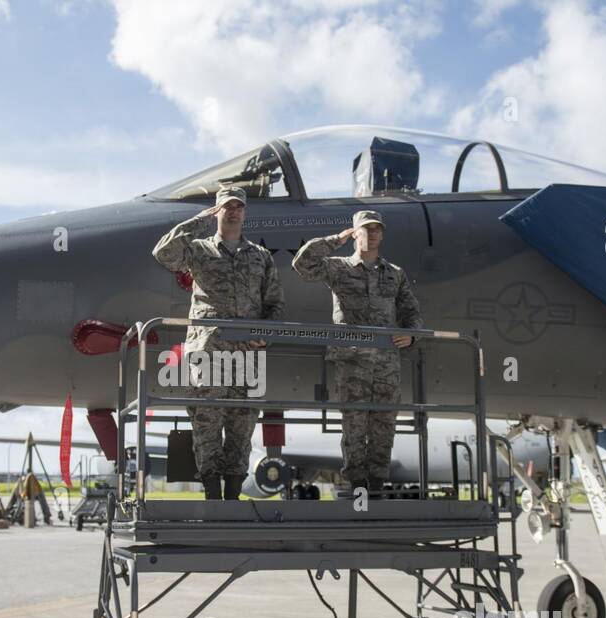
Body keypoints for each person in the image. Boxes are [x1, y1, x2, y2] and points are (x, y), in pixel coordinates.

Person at [152, 186, 284, 500]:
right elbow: (163, 253)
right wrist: (199, 221)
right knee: (206, 424)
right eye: (227, 206)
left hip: (248, 355)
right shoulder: (198, 250)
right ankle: (212, 495)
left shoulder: (260, 256)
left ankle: (233, 496)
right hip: (208, 350)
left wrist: (266, 331)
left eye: (239, 206)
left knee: (243, 425)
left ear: (245, 212)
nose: (233, 211)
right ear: (217, 211)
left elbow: (275, 303)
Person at [292, 210, 422, 498]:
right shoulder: (339, 268)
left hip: (387, 364)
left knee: (384, 425)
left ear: (382, 234)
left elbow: (412, 312)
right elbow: (302, 264)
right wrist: (334, 240)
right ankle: (357, 487)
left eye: (377, 229)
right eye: (366, 228)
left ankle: (376, 487)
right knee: (354, 426)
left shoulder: (394, 274)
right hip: (352, 362)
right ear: (355, 233)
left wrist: (411, 334)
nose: (372, 233)